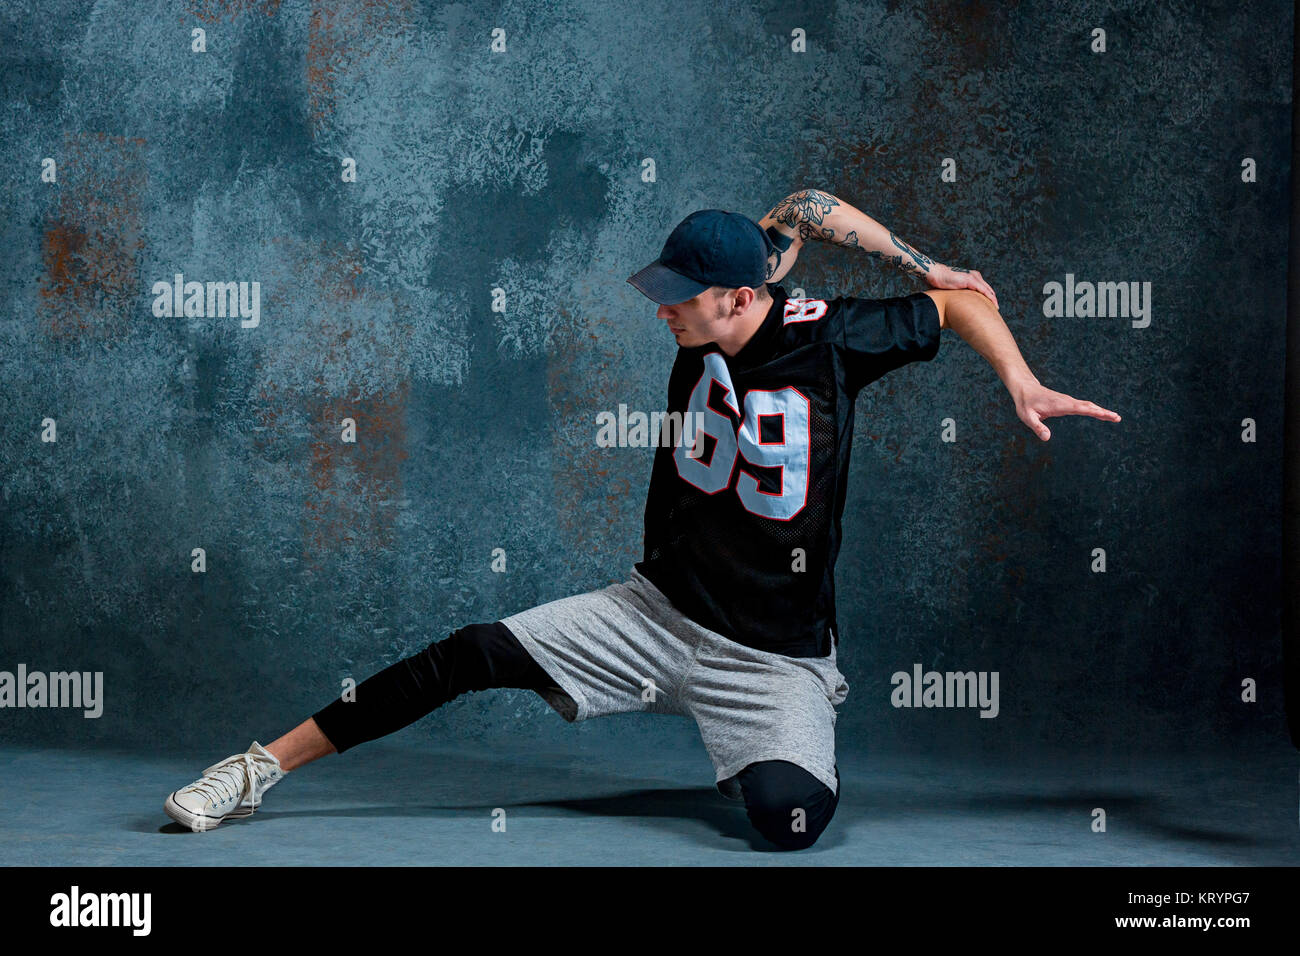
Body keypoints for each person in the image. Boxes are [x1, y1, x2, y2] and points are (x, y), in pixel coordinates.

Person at [164, 190, 1120, 850]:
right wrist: (921, 253)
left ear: (741, 299)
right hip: (653, 613)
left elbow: (954, 309)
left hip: (773, 659)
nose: (663, 311)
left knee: (790, 825)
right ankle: (256, 770)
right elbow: (806, 205)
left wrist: (1019, 379)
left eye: (681, 299)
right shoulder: (749, 263)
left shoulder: (832, 338)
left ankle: (753, 743)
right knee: (471, 650)